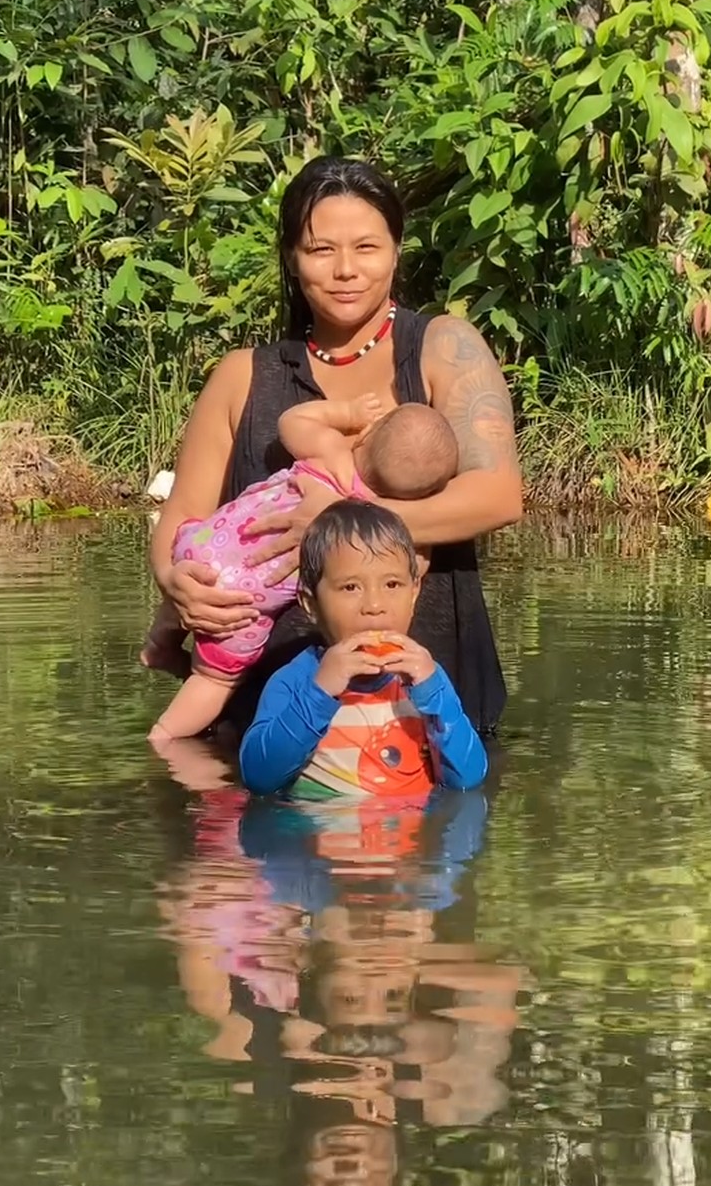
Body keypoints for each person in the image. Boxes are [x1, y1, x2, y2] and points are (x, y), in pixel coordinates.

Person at [144, 155, 523, 735]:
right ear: (293, 260)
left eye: (367, 248)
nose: (346, 269)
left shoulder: (445, 347)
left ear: (398, 251)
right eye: (322, 250)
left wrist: (344, 520)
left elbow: (497, 497)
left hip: (427, 715)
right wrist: (176, 585)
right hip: (270, 720)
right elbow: (180, 521)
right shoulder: (241, 377)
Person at [149, 396, 459, 743]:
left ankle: (162, 641)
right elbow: (415, 564)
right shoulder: (372, 528)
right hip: (242, 597)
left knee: (191, 587)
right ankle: (165, 737)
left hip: (204, 541)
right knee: (217, 679)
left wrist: (348, 412)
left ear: (368, 434)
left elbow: (292, 421)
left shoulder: (332, 455)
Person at [239, 502, 488, 797]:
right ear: (310, 602)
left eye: (392, 584)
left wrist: (436, 694)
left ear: (414, 593)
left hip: (410, 837)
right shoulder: (296, 682)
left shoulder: (425, 682)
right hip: (320, 833)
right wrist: (319, 694)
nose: (374, 606)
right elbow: (258, 776)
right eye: (350, 588)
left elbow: (469, 777)